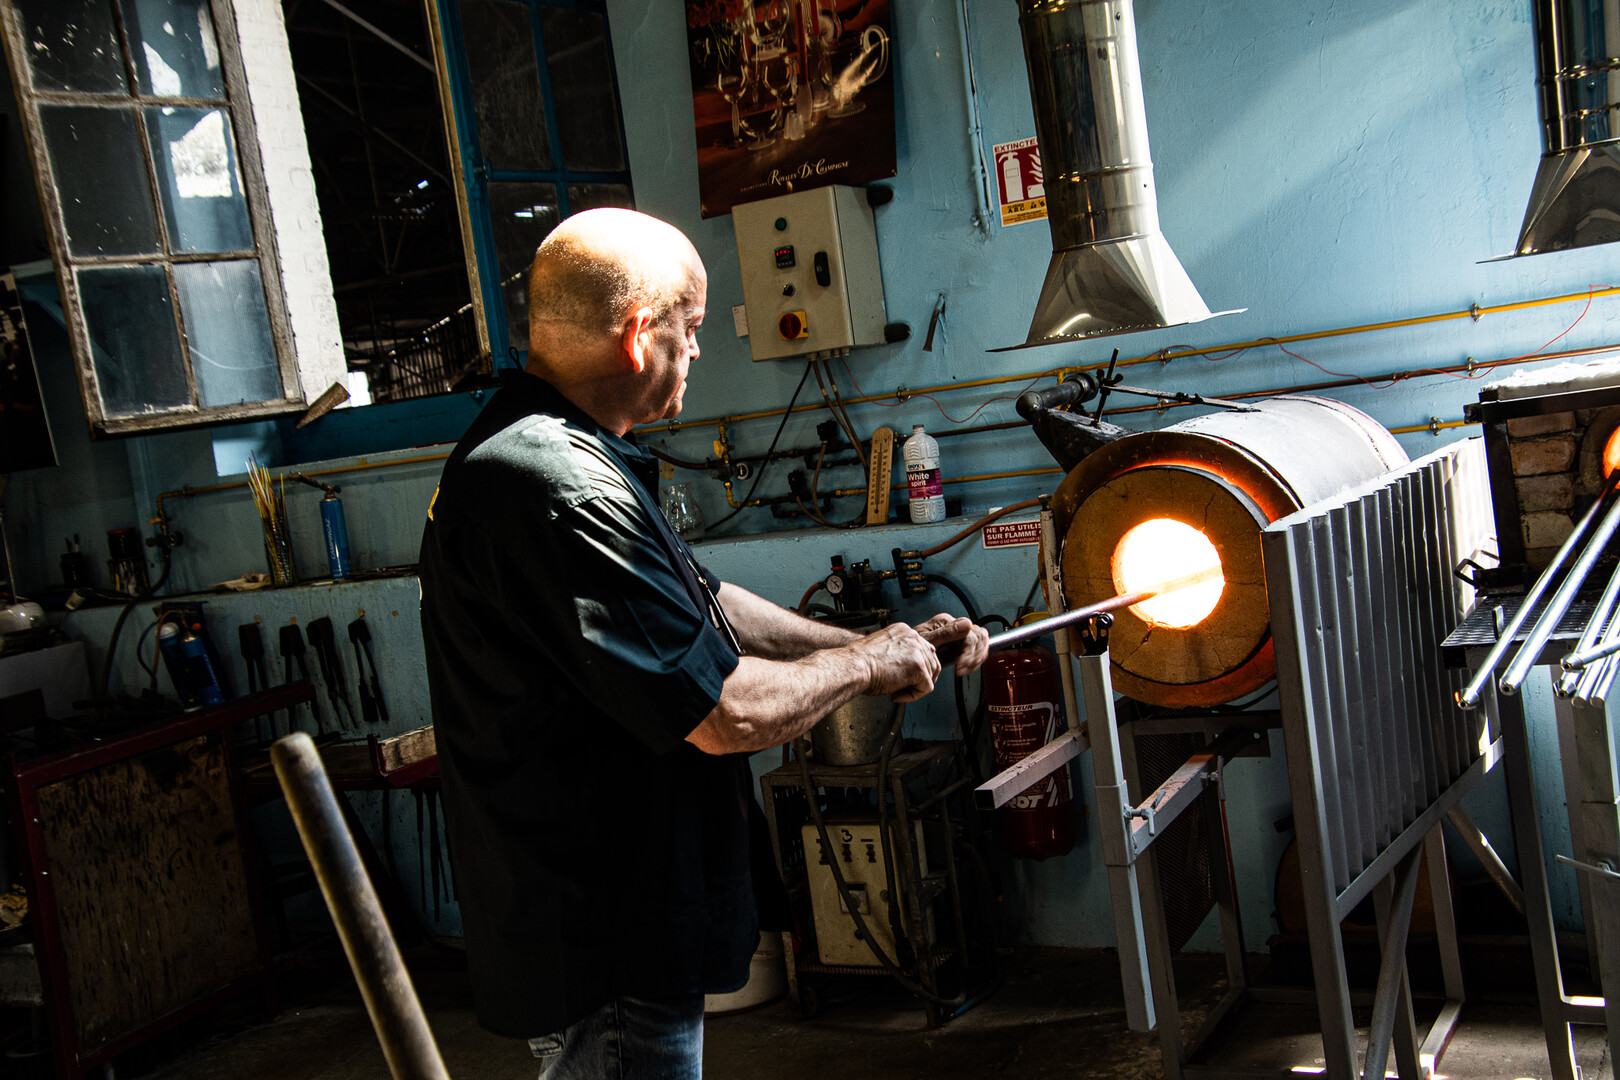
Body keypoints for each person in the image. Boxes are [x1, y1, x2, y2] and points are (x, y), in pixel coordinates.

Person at [418, 207, 988, 1079]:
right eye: (689, 332)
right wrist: (871, 665)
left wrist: (876, 639)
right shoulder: (557, 488)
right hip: (606, 931)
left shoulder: (558, 454)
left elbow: (705, 603)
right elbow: (723, 712)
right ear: (639, 333)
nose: (697, 354)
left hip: (609, 912)